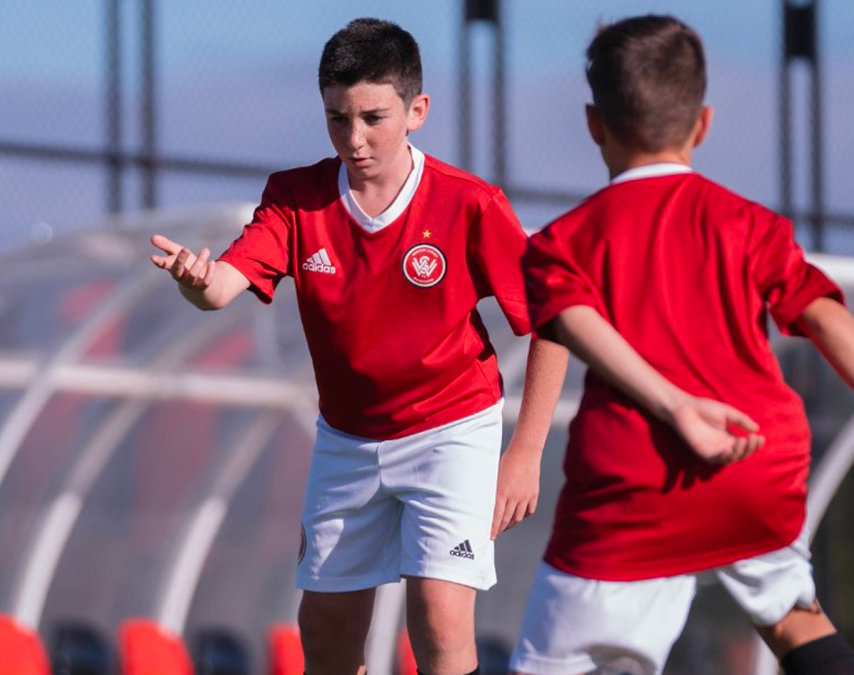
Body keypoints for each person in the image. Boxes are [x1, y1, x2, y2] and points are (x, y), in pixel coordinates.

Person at [509, 15, 854, 675]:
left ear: (593, 123)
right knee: (794, 618)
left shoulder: (563, 241)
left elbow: (565, 318)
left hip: (636, 482)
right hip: (756, 461)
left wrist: (532, 450)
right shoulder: (751, 225)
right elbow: (832, 322)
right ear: (703, 124)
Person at [148, 18, 567, 675]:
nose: (355, 137)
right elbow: (223, 284)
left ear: (417, 111)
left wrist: (527, 453)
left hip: (451, 430)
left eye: (374, 117)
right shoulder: (296, 198)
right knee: (326, 629)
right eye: (337, 119)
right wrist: (198, 283)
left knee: (439, 615)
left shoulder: (470, 203)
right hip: (347, 439)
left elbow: (553, 321)